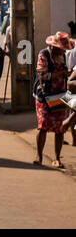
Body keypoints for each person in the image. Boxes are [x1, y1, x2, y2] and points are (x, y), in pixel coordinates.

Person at [34, 32, 72, 168]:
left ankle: (57, 158)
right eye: (61, 48)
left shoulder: (64, 56)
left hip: (61, 94)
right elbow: (42, 74)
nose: (63, 50)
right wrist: (59, 73)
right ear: (54, 47)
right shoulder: (44, 54)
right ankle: (39, 156)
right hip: (44, 95)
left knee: (60, 128)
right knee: (42, 126)